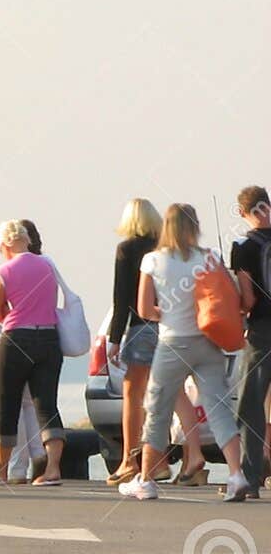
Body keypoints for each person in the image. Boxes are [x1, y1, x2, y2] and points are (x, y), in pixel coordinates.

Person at [122, 203, 251, 502]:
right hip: (208, 343)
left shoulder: (153, 260)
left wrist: (167, 313)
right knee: (219, 410)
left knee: (158, 410)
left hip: (173, 344)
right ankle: (236, 475)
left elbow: (144, 309)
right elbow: (227, 298)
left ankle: (146, 479)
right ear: (195, 226)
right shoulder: (210, 257)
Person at [0, 219, 66, 486]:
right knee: (47, 405)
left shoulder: (2, 271)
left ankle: (2, 469)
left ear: (5, 244)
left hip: (16, 340)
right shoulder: (47, 266)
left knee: (8, 406)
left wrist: (11, 313)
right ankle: (52, 468)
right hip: (49, 339)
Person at [103, 198, 163, 486]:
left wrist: (114, 339)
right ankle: (164, 460)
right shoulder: (166, 248)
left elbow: (122, 298)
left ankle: (129, 459)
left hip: (142, 327)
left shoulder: (127, 250)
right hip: (173, 328)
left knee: (132, 392)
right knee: (168, 393)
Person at [230, 185, 271, 499]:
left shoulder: (243, 247)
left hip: (262, 330)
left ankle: (251, 476)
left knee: (251, 403)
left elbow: (247, 298)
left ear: (242, 213)